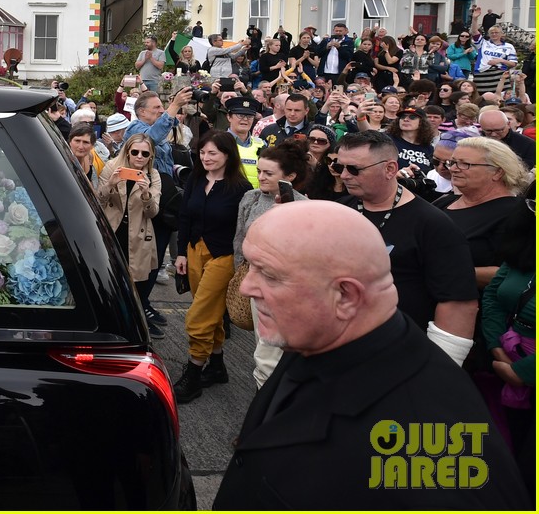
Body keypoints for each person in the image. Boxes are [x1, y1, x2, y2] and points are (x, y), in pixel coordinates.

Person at [214, 201, 528, 510]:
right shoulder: (316, 334)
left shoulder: (426, 440)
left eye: (268, 274)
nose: (247, 288)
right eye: (251, 267)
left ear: (346, 296)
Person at [334, 129, 479, 362]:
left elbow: (458, 303)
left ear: (390, 169)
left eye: (354, 169)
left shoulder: (433, 225)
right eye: (338, 167)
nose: (344, 175)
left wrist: (440, 368)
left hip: (397, 353)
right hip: (337, 344)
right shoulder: (339, 209)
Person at [172, 130, 253, 402]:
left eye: (212, 153)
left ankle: (193, 374)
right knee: (212, 314)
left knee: (199, 316)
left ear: (228, 155)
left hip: (223, 257)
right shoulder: (196, 179)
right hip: (195, 251)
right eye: (202, 152)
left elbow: (244, 229)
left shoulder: (241, 188)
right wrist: (181, 253)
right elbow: (185, 217)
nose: (205, 158)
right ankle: (217, 366)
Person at [232, 140, 311, 386]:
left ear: (290, 176)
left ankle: (266, 404)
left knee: (269, 352)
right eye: (258, 171)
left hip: (283, 289)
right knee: (262, 344)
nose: (261, 177)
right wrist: (240, 276)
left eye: (268, 173)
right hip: (253, 280)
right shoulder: (250, 198)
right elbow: (239, 240)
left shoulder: (304, 206)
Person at [479, 190, 535, 493]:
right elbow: (494, 297)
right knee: (507, 460)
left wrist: (523, 372)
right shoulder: (527, 248)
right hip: (508, 358)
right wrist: (497, 348)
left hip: (521, 368)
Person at [434, 136, 528, 289]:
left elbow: (509, 274)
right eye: (453, 162)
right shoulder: (445, 202)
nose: (453, 168)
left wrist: (438, 271)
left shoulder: (516, 213)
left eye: (465, 164)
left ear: (497, 172)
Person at [98, 132, 164, 337]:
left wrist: (145, 194)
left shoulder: (153, 175)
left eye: (145, 154)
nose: (139, 157)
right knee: (108, 277)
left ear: (150, 156)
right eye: (135, 151)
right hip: (113, 230)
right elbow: (97, 201)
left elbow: (153, 212)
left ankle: (132, 322)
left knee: (134, 282)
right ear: (127, 151)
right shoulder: (112, 167)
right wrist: (110, 183)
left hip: (138, 235)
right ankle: (108, 319)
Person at [128, 86, 195, 179]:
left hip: (166, 184)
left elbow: (171, 123)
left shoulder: (156, 126)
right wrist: (175, 105)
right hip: (144, 187)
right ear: (142, 111)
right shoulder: (134, 128)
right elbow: (151, 138)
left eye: (162, 107)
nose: (162, 110)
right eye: (157, 107)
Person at [224, 96, 264, 188]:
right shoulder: (218, 143)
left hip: (255, 197)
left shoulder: (261, 144)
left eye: (249, 116)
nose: (245, 119)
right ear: (229, 117)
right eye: (240, 115)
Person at [387, 106, 436, 179]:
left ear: (421, 122)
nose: (406, 119)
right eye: (402, 117)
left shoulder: (429, 148)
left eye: (412, 117)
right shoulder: (387, 140)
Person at [67, 122, 103, 190]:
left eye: (85, 142)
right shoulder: (63, 161)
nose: (81, 147)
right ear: (70, 142)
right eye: (77, 141)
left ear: (92, 146)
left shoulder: (89, 157)